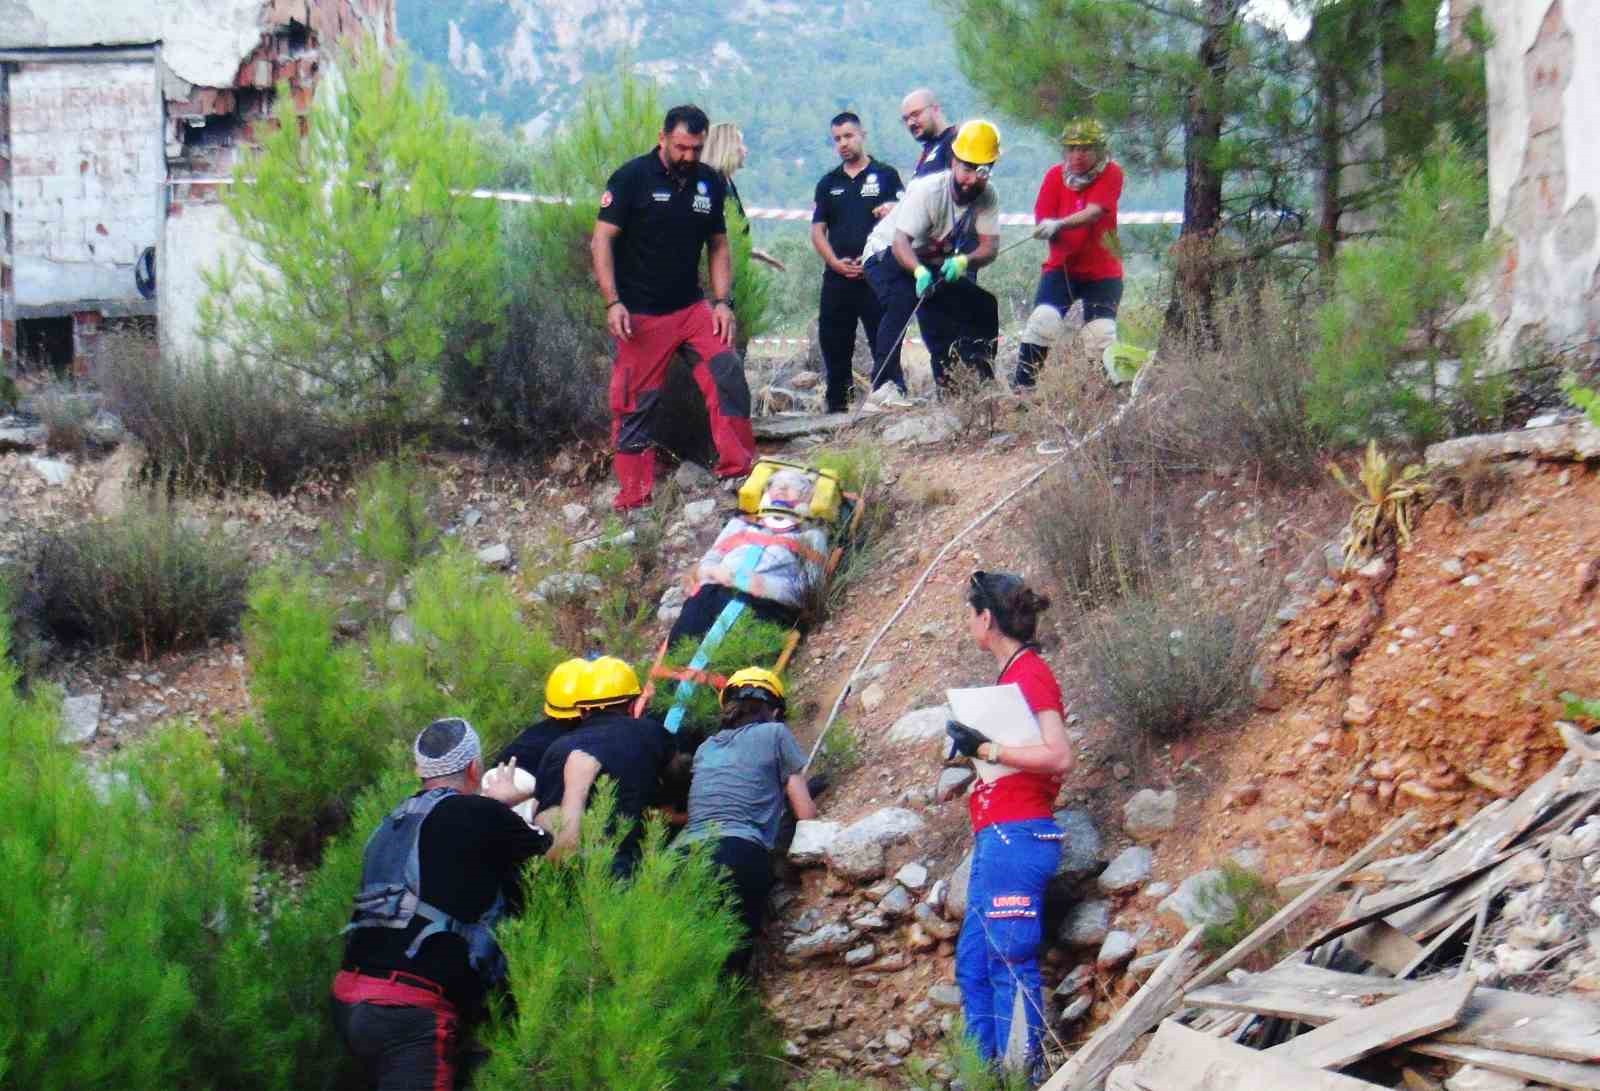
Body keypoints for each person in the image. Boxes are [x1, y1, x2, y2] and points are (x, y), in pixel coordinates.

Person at [333, 717, 550, 1091]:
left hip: (350, 998)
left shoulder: (392, 821)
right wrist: (504, 802)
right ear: (473, 768)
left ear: (420, 771)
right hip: (409, 1011)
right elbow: (547, 845)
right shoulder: (480, 813)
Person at [591, 104, 756, 512]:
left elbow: (718, 245)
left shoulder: (708, 183)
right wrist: (613, 301)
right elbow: (602, 241)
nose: (688, 157)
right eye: (681, 147)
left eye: (696, 149)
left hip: (691, 309)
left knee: (727, 373)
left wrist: (722, 303)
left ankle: (740, 472)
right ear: (662, 137)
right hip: (642, 316)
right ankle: (633, 498)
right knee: (633, 401)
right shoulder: (631, 178)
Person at [943, 572, 1075, 1078]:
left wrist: (987, 750)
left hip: (1017, 834)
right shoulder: (1010, 677)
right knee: (974, 966)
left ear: (986, 619)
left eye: (969, 614)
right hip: (998, 835)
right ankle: (985, 1074)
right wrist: (972, 759)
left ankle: (1023, 1075)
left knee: (1008, 960)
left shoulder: (1030, 672)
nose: (967, 623)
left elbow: (1058, 755)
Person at [679, 668, 815, 975]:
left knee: (692, 964)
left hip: (684, 856)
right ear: (776, 710)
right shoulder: (776, 733)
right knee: (732, 968)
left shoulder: (706, 748)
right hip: (738, 852)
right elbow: (806, 813)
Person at [862, 120, 1003, 393]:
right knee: (903, 299)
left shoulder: (987, 196)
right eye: (967, 168)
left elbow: (990, 247)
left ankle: (971, 382)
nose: (972, 178)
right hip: (886, 253)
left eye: (982, 170)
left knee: (981, 303)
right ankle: (885, 387)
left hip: (931, 260)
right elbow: (899, 243)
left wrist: (965, 261)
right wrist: (918, 272)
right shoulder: (929, 190)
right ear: (953, 162)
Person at [532, 656, 677, 876]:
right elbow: (677, 781)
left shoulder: (558, 750)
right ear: (632, 705)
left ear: (581, 710)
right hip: (642, 867)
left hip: (581, 874)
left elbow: (550, 833)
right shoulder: (654, 734)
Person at [667, 466, 830, 649]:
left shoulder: (810, 536)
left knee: (729, 645)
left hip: (764, 606)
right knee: (693, 615)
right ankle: (671, 675)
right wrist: (713, 571)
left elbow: (811, 593)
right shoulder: (740, 524)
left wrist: (764, 585)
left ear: (806, 497)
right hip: (716, 591)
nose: (782, 489)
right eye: (775, 484)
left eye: (794, 486)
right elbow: (709, 559)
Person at [1014, 118, 1124, 388]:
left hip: (1103, 271)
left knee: (1100, 335)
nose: (1077, 155)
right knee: (1042, 321)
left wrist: (1060, 224)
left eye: (1085, 149)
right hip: (1061, 268)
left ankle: (1105, 395)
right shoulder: (1054, 176)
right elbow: (1043, 216)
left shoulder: (1112, 173)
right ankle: (1023, 389)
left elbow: (1095, 211)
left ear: (1099, 150)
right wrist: (1045, 228)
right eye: (1072, 148)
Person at [810, 112, 906, 412]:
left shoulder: (886, 175)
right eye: (837, 139)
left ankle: (889, 400)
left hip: (876, 277)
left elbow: (906, 218)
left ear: (862, 134)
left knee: (885, 341)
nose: (843, 143)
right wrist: (835, 262)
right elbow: (817, 231)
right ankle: (837, 407)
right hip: (838, 278)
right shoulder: (828, 183)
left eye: (848, 136)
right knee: (834, 342)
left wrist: (892, 210)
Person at [703, 121, 785, 272]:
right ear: (727, 149)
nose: (745, 150)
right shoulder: (713, 184)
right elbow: (715, 238)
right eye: (740, 144)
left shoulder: (727, 183)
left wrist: (757, 254)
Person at [901, 88, 958, 178]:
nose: (910, 123)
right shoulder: (927, 152)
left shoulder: (955, 142)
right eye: (906, 119)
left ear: (935, 109)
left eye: (916, 114)